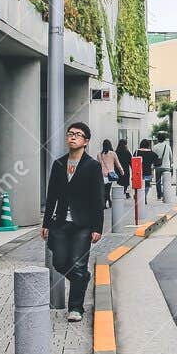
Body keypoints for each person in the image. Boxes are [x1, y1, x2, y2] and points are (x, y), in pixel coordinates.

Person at [41, 122, 104, 322]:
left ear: (86, 141)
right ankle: (83, 278)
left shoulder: (92, 166)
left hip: (83, 224)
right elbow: (51, 196)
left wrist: (98, 227)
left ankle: (76, 308)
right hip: (60, 222)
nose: (73, 137)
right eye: (70, 134)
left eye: (78, 134)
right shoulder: (59, 164)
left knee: (78, 262)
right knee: (59, 261)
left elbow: (98, 198)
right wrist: (45, 223)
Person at [98, 138, 121, 209]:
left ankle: (106, 203)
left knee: (104, 190)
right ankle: (107, 203)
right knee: (107, 190)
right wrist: (122, 171)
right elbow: (118, 164)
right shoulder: (113, 154)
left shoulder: (99, 155)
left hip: (102, 174)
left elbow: (98, 165)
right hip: (110, 175)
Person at [149, 132, 172, 200]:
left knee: (158, 182)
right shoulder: (167, 146)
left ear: (158, 139)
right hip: (166, 166)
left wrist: (152, 167)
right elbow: (171, 157)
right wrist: (170, 164)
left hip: (158, 166)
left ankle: (159, 195)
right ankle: (166, 195)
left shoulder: (155, 147)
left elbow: (152, 157)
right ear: (164, 139)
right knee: (166, 181)